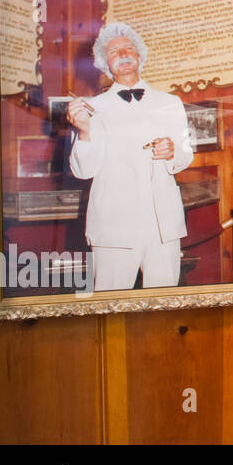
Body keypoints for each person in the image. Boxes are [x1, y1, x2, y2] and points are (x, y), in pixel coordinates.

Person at [67, 23, 193, 292]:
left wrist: (172, 152)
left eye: (129, 48)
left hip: (163, 228)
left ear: (140, 56)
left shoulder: (170, 103)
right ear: (105, 63)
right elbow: (83, 170)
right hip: (113, 228)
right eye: (114, 51)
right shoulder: (92, 109)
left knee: (164, 307)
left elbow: (185, 156)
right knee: (110, 309)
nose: (123, 53)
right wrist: (85, 131)